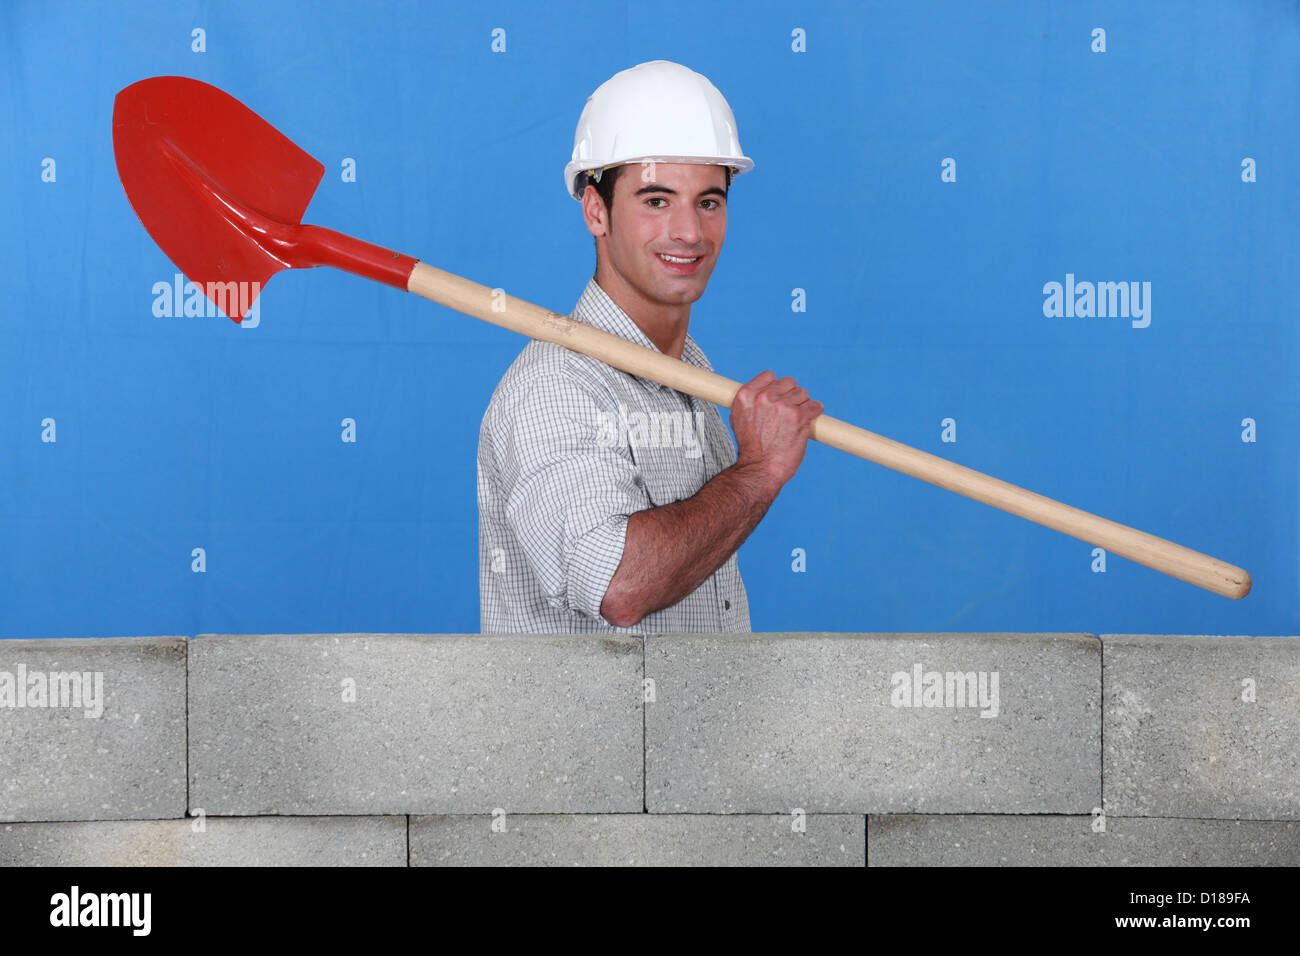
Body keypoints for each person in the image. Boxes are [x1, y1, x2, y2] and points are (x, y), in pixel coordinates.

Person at [477, 60, 822, 634]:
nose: (689, 231)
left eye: (708, 201)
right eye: (656, 200)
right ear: (596, 209)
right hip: (586, 728)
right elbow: (619, 584)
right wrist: (758, 471)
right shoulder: (552, 389)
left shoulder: (691, 373)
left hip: (692, 724)